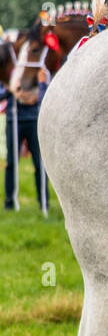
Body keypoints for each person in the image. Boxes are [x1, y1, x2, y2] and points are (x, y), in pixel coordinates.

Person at [4, 28, 50, 212]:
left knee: (39, 163)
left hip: (33, 120)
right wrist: (11, 90)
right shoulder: (8, 70)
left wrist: (40, 89)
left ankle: (43, 201)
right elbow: (2, 92)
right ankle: (9, 202)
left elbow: (47, 93)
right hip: (13, 119)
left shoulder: (37, 67)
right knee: (11, 162)